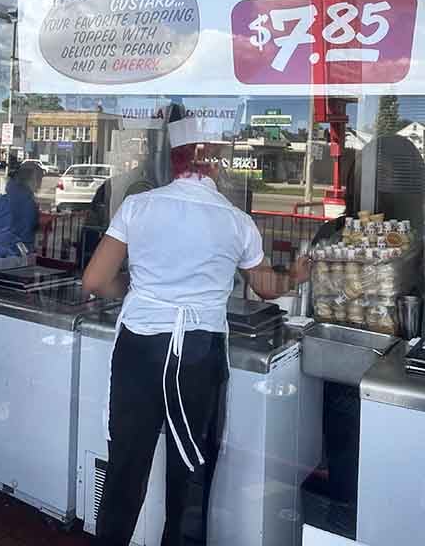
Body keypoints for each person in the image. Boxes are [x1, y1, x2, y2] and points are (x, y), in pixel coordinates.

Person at [82, 115, 309, 546]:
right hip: (199, 351)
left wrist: (130, 288)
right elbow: (266, 288)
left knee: (126, 464)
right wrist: (295, 276)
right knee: (190, 469)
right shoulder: (237, 221)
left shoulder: (139, 206)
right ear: (216, 164)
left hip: (140, 347)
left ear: (174, 161)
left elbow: (94, 281)